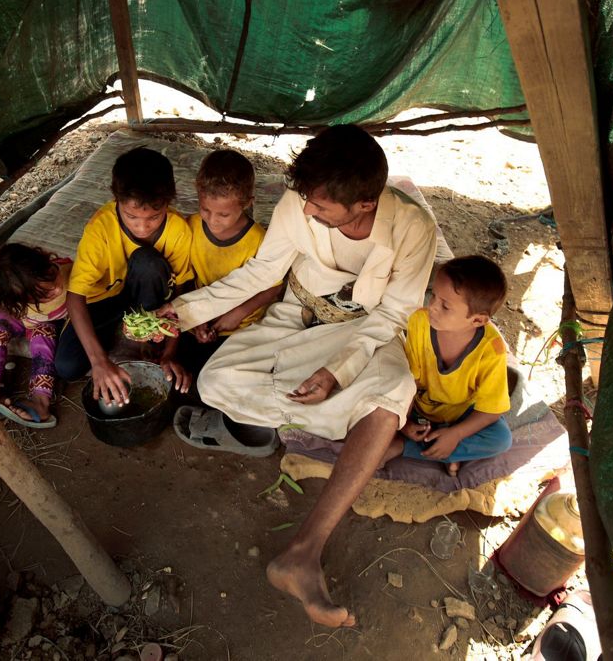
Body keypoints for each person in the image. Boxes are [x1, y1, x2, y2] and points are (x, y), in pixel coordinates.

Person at [159, 124, 437, 628]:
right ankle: (348, 433)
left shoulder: (414, 229)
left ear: (365, 204)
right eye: (307, 200)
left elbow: (392, 316)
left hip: (361, 333)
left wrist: (336, 370)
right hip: (298, 314)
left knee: (395, 389)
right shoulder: (298, 201)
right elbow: (261, 274)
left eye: (321, 207)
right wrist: (181, 311)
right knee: (214, 381)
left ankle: (304, 553)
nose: (307, 211)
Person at [61, 146, 193, 405]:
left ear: (169, 202)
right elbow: (75, 296)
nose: (142, 226)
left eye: (154, 217)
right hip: (103, 302)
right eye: (131, 216)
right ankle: (122, 337)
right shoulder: (99, 229)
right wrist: (99, 361)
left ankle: (142, 338)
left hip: (149, 300)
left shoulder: (178, 229)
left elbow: (182, 291)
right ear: (116, 200)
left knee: (147, 260)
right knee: (67, 366)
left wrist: (170, 352)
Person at [383, 256, 513, 477]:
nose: (432, 306)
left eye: (445, 306)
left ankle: (405, 447)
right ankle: (445, 450)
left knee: (501, 439)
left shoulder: (492, 350)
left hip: (462, 411)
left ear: (477, 321)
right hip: (418, 405)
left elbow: (490, 411)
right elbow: (409, 380)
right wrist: (405, 422)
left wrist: (456, 434)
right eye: (433, 295)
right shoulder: (419, 322)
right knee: (378, 399)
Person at [173, 149, 283, 382]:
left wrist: (238, 313)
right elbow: (186, 278)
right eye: (205, 210)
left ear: (247, 204)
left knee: (217, 377)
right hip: (198, 318)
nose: (212, 220)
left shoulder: (259, 240)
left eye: (223, 214)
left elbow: (273, 287)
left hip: (240, 326)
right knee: (175, 366)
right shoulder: (189, 227)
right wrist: (197, 320)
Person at [0, 243, 73, 427]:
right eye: (44, 294)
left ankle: (40, 400)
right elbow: (5, 306)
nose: (56, 289)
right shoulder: (19, 296)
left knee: (42, 338)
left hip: (49, 322)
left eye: (52, 277)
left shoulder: (72, 271)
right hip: (27, 315)